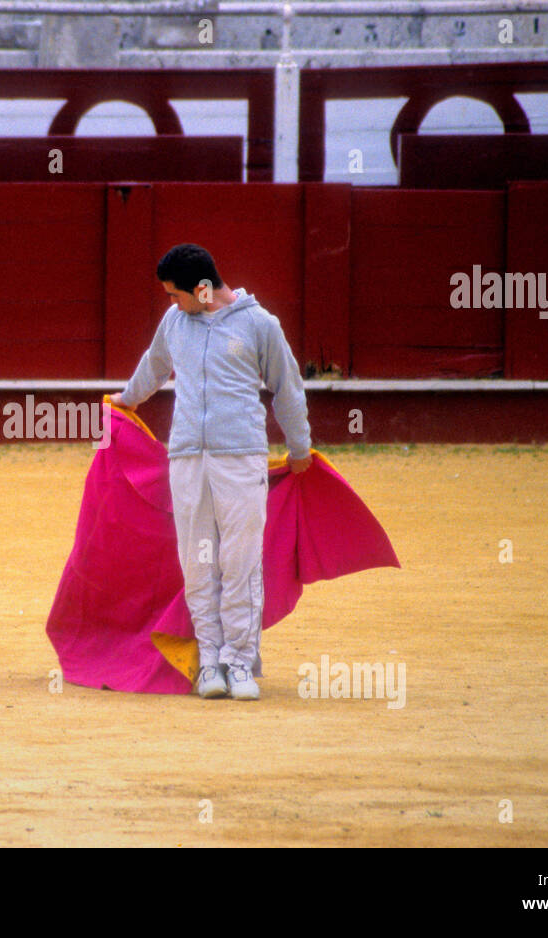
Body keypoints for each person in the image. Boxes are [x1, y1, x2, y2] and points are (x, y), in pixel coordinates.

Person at [111, 244, 311, 701]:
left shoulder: (260, 325)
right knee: (198, 563)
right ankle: (209, 662)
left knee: (239, 562)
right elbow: (154, 365)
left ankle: (239, 662)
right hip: (187, 458)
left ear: (202, 289)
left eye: (175, 294)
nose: (171, 303)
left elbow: (287, 389)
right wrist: (126, 401)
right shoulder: (175, 322)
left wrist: (299, 446)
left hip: (240, 456)